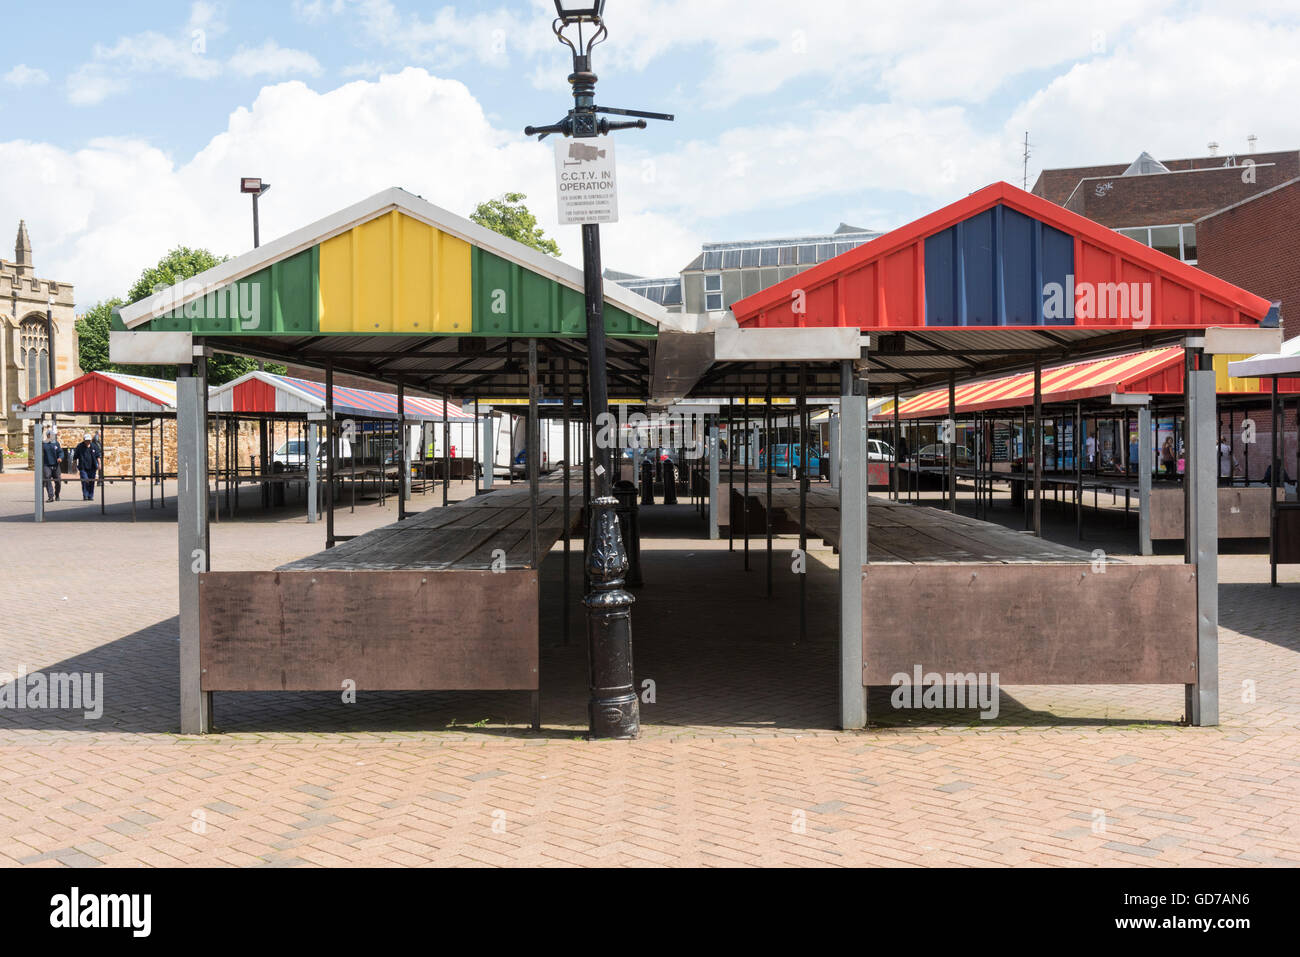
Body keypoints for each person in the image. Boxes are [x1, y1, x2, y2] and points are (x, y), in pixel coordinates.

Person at [73, 432, 101, 501]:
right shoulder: (79, 446)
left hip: (92, 467)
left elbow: (98, 456)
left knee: (92, 482)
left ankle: (90, 496)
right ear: (84, 440)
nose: (88, 442)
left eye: (89, 440)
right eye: (86, 440)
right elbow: (75, 457)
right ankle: (85, 495)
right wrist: (74, 466)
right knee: (85, 481)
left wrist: (99, 464)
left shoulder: (94, 446)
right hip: (83, 467)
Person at [41, 429, 62, 503]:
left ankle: (57, 494)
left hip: (56, 465)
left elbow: (60, 452)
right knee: (47, 478)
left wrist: (60, 457)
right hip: (47, 465)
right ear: (48, 435)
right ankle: (50, 496)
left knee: (58, 481)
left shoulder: (56, 443)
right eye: (50, 435)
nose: (52, 436)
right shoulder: (43, 444)